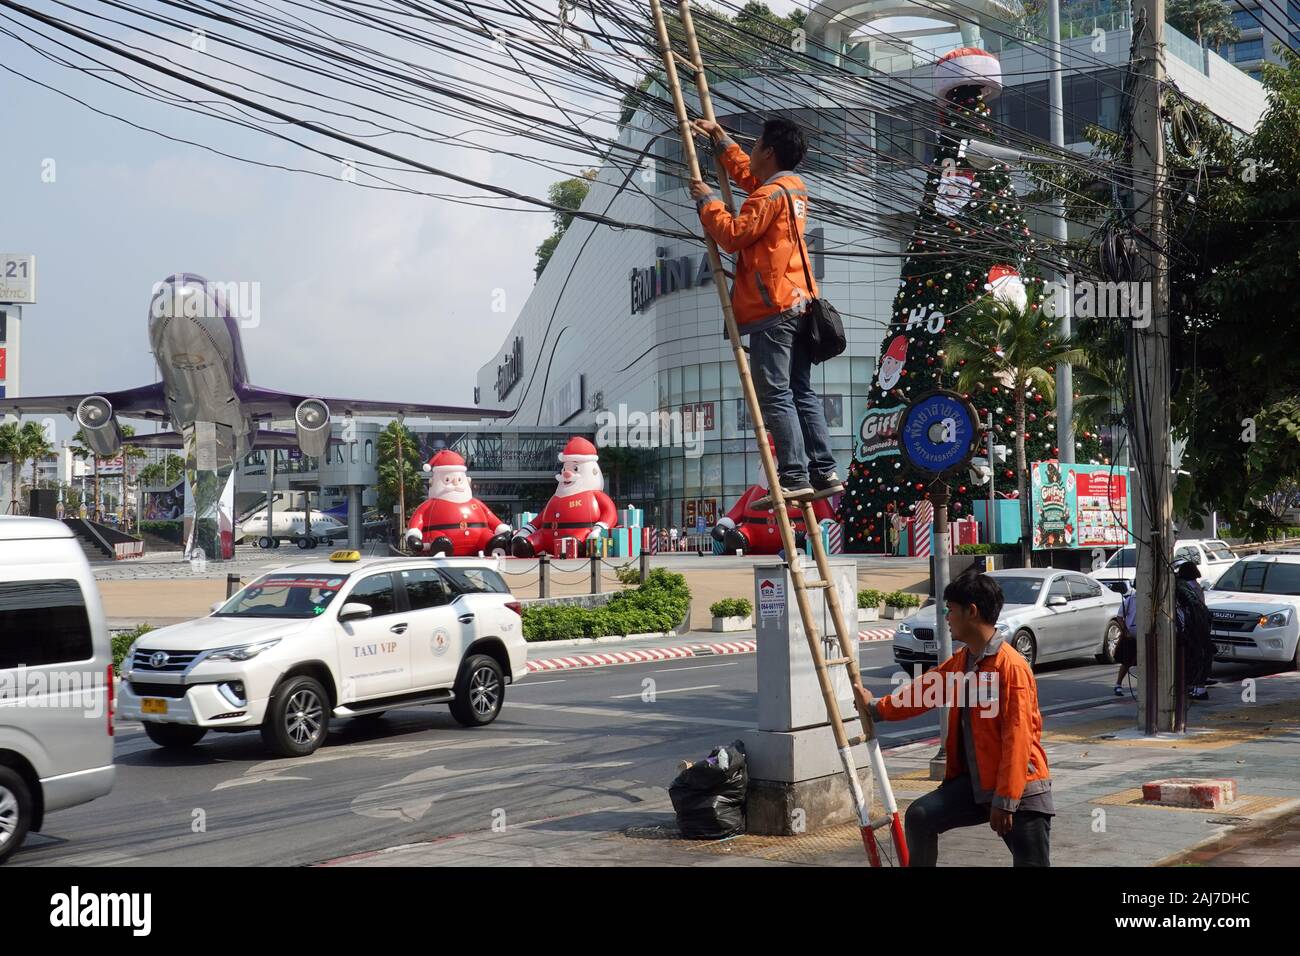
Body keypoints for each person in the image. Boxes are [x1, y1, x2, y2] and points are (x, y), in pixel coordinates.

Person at [852, 570, 1053, 866]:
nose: (946, 617)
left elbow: (1019, 738)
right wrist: (876, 708)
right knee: (921, 815)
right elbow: (923, 692)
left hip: (1020, 789)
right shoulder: (963, 662)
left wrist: (1006, 801)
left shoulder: (1011, 668)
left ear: (971, 612)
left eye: (951, 610)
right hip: (975, 786)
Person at [689, 116, 839, 502]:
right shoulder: (790, 189)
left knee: (775, 395)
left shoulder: (768, 196)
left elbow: (734, 235)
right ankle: (824, 471)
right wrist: (722, 142)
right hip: (801, 305)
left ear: (769, 152)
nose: (751, 150)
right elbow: (750, 178)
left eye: (755, 144)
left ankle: (793, 475)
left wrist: (708, 202)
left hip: (773, 308)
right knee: (801, 392)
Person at [1173, 558, 1214, 700]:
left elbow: (1195, 606)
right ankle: (1197, 687)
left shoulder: (1186, 587)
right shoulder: (1194, 585)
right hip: (1200, 623)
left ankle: (1196, 686)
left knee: (1197, 655)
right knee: (1201, 654)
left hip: (1195, 624)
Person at [1114, 586, 1138, 696]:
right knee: (1126, 662)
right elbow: (1120, 617)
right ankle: (1118, 684)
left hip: (1148, 636)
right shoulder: (1131, 599)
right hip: (1131, 636)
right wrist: (1125, 631)